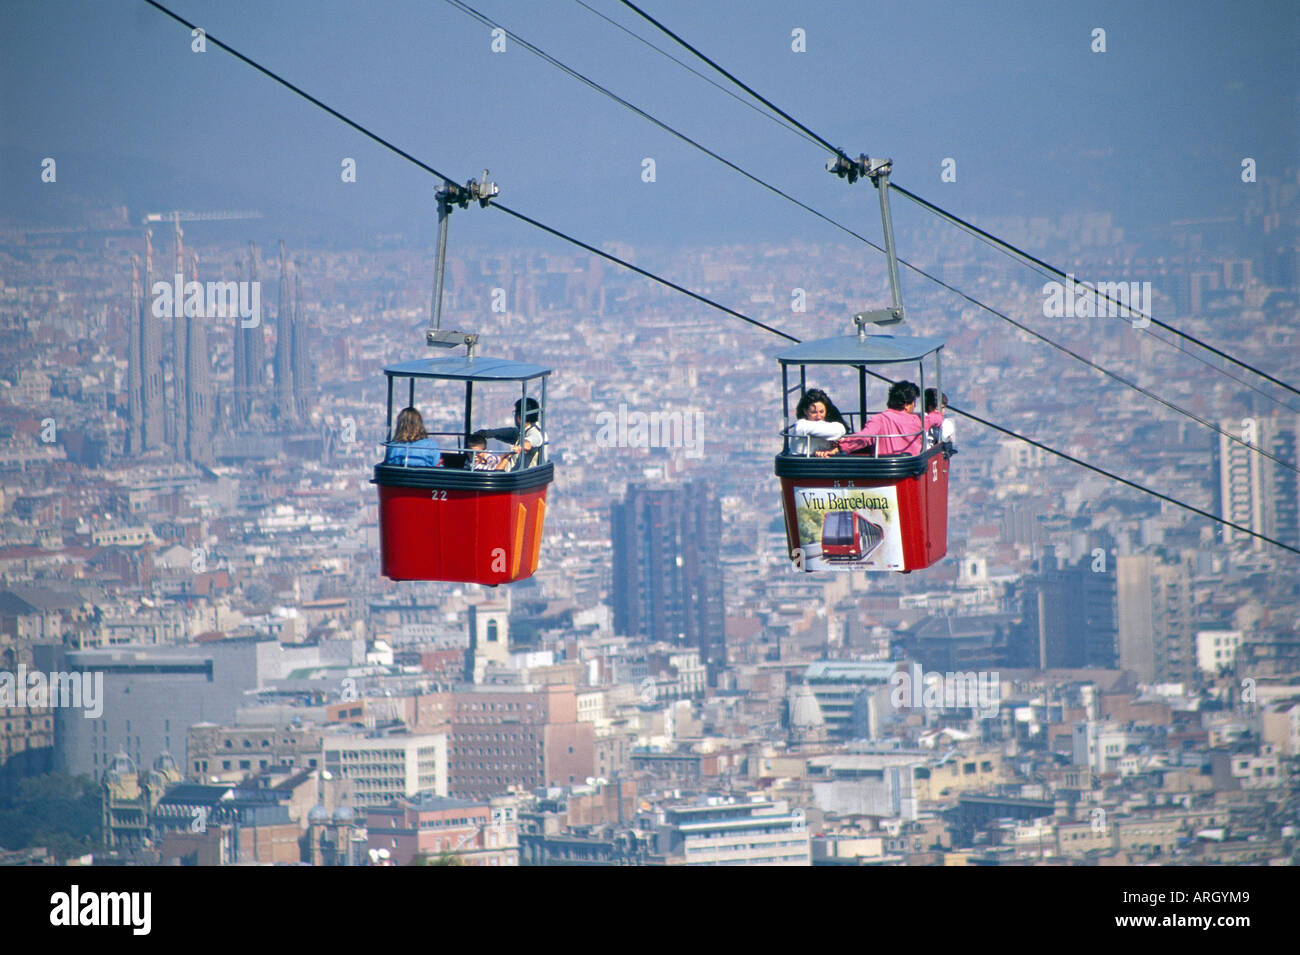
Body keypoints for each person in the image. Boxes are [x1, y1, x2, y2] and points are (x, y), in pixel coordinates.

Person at [819, 381, 929, 457]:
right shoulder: (918, 420)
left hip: (885, 470)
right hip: (912, 470)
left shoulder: (879, 420)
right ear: (906, 404)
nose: (914, 406)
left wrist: (841, 446)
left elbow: (864, 437)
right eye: (914, 402)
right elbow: (935, 418)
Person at [482, 396, 546, 469]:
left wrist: (521, 446)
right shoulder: (525, 430)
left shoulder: (535, 432)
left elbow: (534, 440)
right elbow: (511, 432)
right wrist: (488, 433)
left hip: (515, 476)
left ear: (519, 416)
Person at [790, 388, 848, 455]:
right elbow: (839, 430)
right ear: (805, 411)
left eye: (821, 412)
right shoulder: (801, 425)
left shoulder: (825, 426)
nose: (818, 416)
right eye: (813, 412)